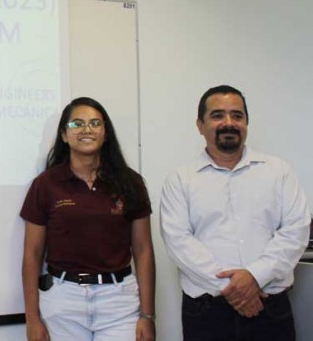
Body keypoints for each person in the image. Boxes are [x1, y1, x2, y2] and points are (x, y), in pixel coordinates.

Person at [160, 85, 309, 341]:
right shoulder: (180, 179)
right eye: (218, 115)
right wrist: (233, 288)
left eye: (237, 116)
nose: (229, 123)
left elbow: (296, 231)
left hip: (269, 305)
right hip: (206, 311)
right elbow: (178, 241)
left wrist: (254, 277)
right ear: (200, 124)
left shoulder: (278, 171)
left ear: (246, 123)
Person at [21, 97, 156, 341]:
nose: (86, 129)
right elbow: (32, 254)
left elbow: (144, 251)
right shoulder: (45, 185)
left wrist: (147, 316)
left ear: (105, 133)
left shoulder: (131, 182)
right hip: (63, 302)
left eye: (95, 123)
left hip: (119, 302)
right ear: (64, 135)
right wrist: (32, 318)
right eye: (77, 124)